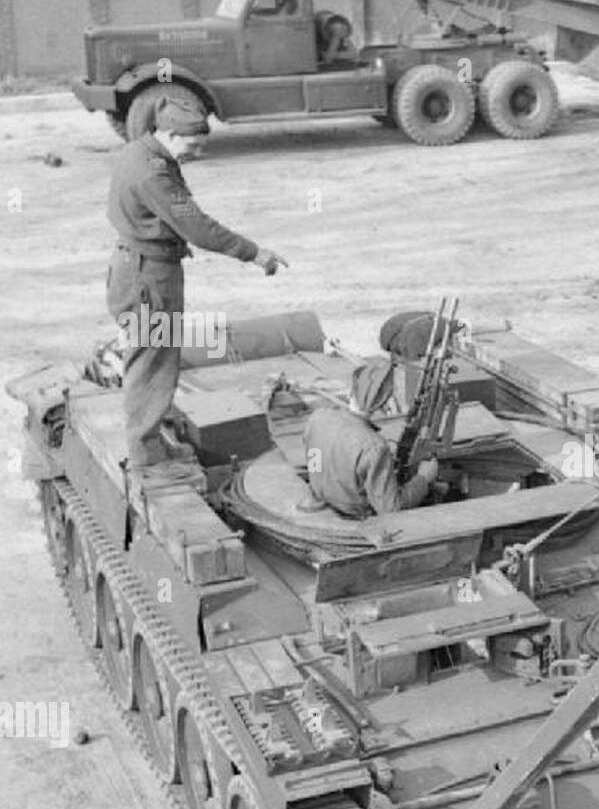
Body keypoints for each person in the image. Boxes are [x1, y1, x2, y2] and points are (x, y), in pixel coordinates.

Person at [106, 94, 287, 482]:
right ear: (169, 134)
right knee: (153, 362)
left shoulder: (139, 151)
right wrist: (254, 253)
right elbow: (197, 227)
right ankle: (147, 456)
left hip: (138, 270)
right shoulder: (153, 173)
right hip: (149, 280)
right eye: (193, 144)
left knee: (149, 357)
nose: (198, 152)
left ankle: (150, 440)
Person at [303, 357, 438, 518]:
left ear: (350, 391)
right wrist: (423, 479)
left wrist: (327, 481)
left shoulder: (317, 418)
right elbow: (391, 509)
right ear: (385, 403)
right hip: (355, 515)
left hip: (324, 498)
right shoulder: (375, 448)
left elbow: (314, 461)